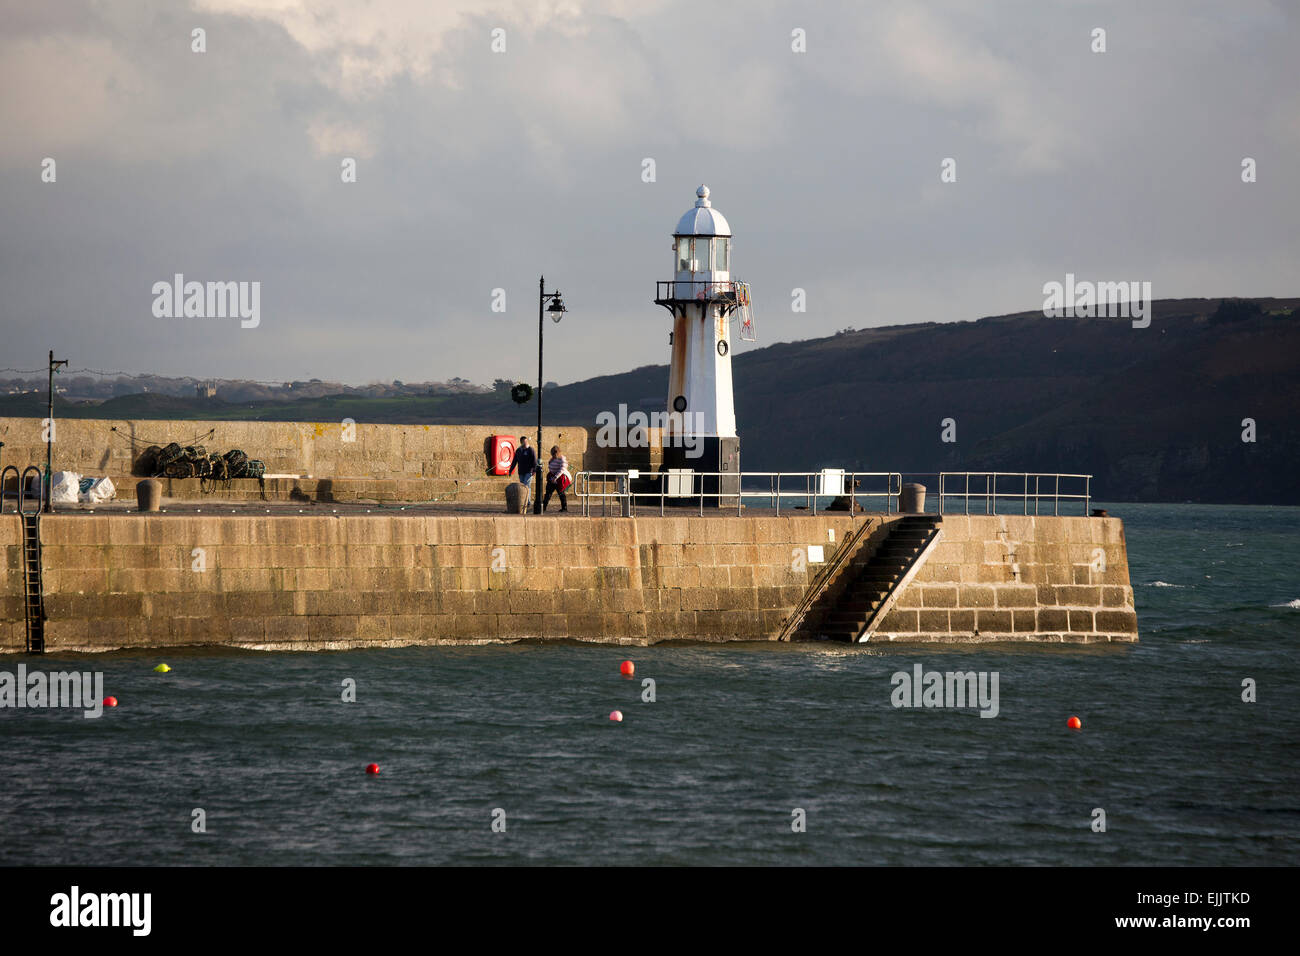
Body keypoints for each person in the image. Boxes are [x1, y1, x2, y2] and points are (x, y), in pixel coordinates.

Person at [507, 436, 538, 507]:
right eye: (524, 441)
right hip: (521, 472)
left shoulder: (531, 450)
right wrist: (510, 470)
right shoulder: (518, 451)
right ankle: (525, 501)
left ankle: (528, 502)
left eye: (526, 441)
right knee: (523, 486)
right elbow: (514, 461)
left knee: (526, 486)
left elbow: (534, 461)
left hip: (529, 471)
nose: (525, 443)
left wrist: (534, 470)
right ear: (521, 442)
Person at [542, 445, 570, 513]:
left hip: (559, 479)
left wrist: (555, 477)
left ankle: (564, 508)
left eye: (553, 454)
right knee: (548, 493)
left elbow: (562, 469)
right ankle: (543, 507)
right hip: (552, 478)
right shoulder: (553, 459)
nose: (552, 455)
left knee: (561, 493)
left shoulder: (562, 459)